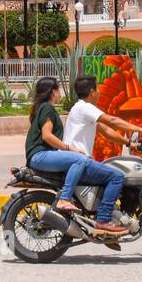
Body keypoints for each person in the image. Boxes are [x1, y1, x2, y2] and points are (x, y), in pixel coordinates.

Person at [62, 75, 142, 235]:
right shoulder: (85, 107)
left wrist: (129, 143)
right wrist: (140, 129)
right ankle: (103, 220)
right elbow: (113, 121)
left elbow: (108, 131)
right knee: (117, 177)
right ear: (92, 91)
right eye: (98, 89)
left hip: (75, 161)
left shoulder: (81, 109)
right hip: (80, 163)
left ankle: (110, 212)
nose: (100, 93)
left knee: (110, 171)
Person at [23, 76, 93, 215]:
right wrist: (70, 148)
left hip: (39, 156)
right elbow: (47, 136)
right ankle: (64, 198)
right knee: (80, 159)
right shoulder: (47, 107)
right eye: (59, 90)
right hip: (41, 155)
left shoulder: (41, 108)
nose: (60, 93)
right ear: (53, 92)